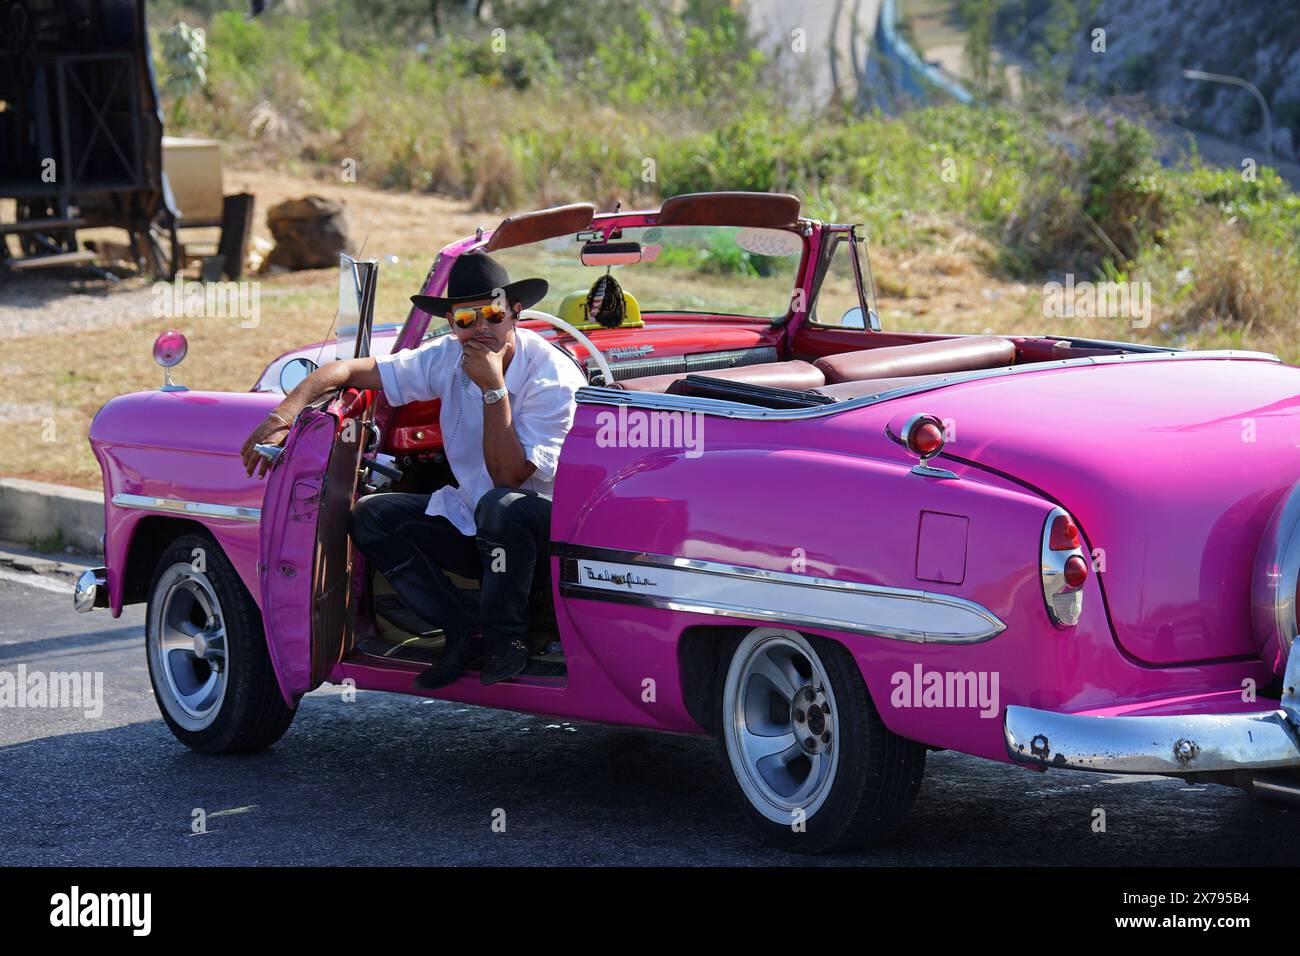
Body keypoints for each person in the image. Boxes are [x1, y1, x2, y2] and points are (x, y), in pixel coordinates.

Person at [240, 252, 587, 687]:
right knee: (372, 516)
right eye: (465, 318)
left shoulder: (551, 376)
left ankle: (509, 639)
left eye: (493, 314)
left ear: (516, 314)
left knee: (503, 507)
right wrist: (282, 417)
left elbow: (509, 478)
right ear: (451, 323)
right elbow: (345, 369)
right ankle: (463, 631)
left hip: (548, 541)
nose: (481, 328)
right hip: (478, 522)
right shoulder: (447, 356)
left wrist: (494, 388)